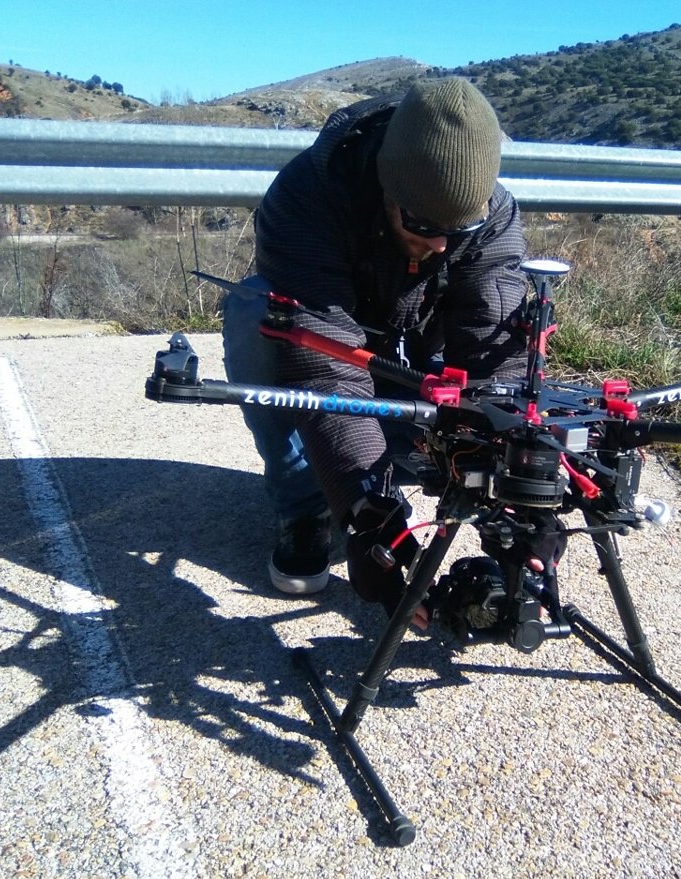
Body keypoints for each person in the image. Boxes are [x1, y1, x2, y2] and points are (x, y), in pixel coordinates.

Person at [221, 77, 529, 612]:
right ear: (387, 187)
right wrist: (370, 517)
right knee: (256, 315)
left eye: (458, 231)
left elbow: (490, 358)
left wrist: (512, 498)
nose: (439, 244)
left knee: (494, 378)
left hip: (418, 357)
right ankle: (305, 507)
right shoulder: (306, 197)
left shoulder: (493, 217)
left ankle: (425, 478)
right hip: (335, 351)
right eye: (424, 224)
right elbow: (325, 369)